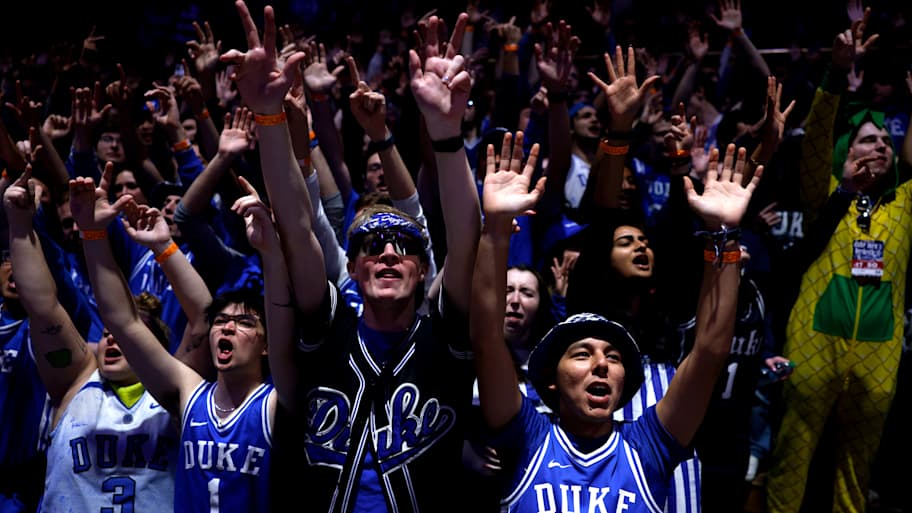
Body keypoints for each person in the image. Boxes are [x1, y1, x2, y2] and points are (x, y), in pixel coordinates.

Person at [220, 3, 481, 511]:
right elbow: (298, 229)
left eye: (405, 246)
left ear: (425, 267)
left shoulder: (447, 334)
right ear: (354, 269)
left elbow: (467, 237)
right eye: (371, 247)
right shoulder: (330, 325)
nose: (387, 253)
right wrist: (269, 119)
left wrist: (446, 133)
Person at [470, 132, 760, 512]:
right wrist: (495, 228)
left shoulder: (648, 447)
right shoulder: (527, 437)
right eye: (582, 354)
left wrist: (724, 236)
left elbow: (709, 351)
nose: (602, 364)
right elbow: (487, 336)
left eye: (615, 357)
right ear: (552, 380)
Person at [69, 163, 287, 513]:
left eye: (244, 322)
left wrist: (272, 253)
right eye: (221, 321)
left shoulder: (278, 401)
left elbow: (283, 313)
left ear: (266, 345)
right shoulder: (190, 393)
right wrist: (94, 235)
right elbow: (123, 322)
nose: (226, 328)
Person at [766, 13, 912, 512]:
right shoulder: (825, 193)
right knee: (791, 457)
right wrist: (834, 74)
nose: (881, 146)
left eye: (886, 142)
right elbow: (819, 134)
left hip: (879, 355)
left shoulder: (905, 205)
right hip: (814, 344)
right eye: (869, 139)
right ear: (846, 153)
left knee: (857, 473)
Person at [5, 167, 179, 513]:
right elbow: (43, 309)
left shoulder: (178, 392)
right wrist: (21, 227)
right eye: (107, 334)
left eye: (128, 337)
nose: (113, 339)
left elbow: (202, 322)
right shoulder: (77, 378)